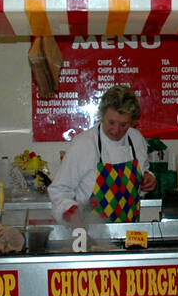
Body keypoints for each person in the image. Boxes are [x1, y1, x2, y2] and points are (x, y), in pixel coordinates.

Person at [49, 85, 157, 223]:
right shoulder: (84, 144)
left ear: (133, 122)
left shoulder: (137, 140)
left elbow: (143, 173)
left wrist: (148, 178)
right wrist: (70, 212)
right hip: (91, 234)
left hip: (130, 233)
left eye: (124, 124)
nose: (116, 130)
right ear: (101, 115)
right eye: (111, 122)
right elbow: (59, 189)